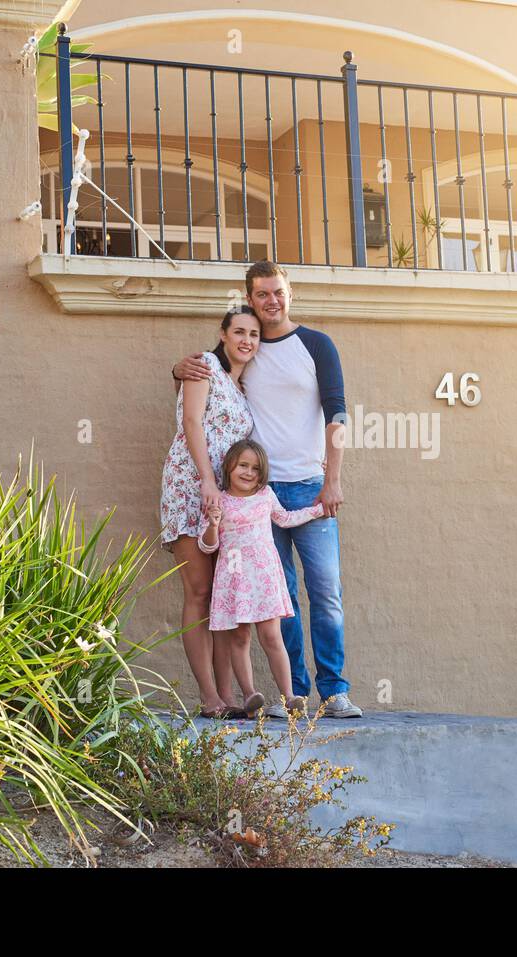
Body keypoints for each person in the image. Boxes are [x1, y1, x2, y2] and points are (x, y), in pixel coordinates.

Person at [173, 261, 362, 718]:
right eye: (261, 294)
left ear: (289, 293)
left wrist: (333, 479)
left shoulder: (316, 344)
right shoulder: (243, 353)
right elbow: (205, 380)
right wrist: (177, 369)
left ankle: (334, 691)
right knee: (279, 597)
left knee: (326, 589)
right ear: (250, 298)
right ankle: (291, 693)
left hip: (309, 488)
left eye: (277, 292)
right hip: (254, 496)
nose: (271, 301)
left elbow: (337, 413)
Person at [160, 305, 260, 718]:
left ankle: (229, 695)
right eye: (239, 331)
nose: (246, 340)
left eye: (253, 334)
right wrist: (206, 479)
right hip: (191, 487)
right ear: (223, 334)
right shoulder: (203, 366)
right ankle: (208, 696)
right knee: (199, 592)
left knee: (223, 596)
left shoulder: (243, 390)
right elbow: (193, 422)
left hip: (227, 500)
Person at [198, 439, 324, 718]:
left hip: (264, 575)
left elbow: (285, 519)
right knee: (240, 637)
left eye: (255, 468)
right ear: (229, 465)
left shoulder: (265, 495)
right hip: (235, 578)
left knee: (271, 636)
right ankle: (250, 694)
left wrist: (317, 510)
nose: (249, 472)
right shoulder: (220, 501)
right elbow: (207, 546)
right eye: (243, 465)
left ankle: (289, 695)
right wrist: (213, 524)